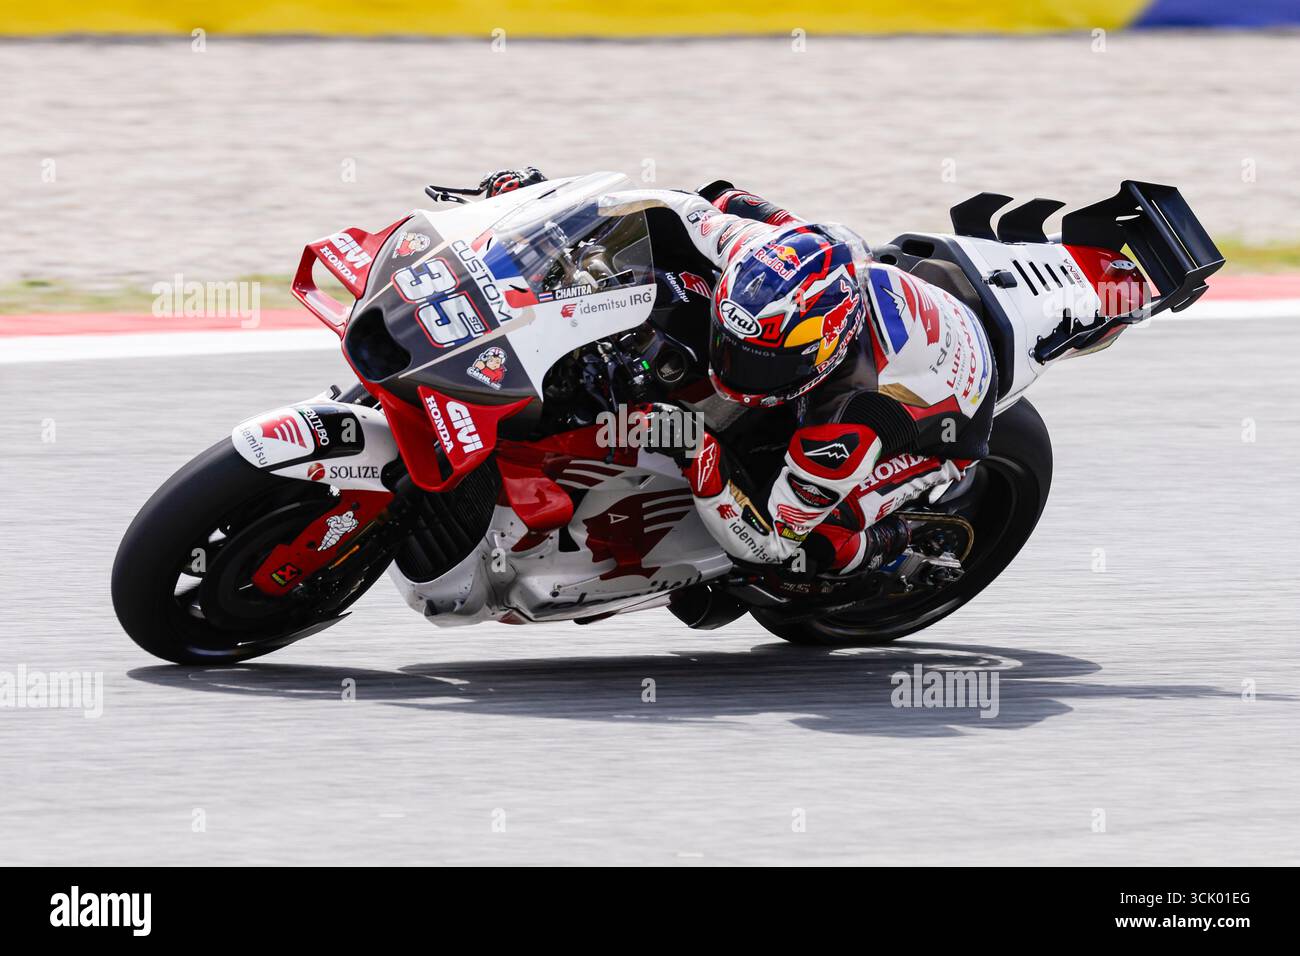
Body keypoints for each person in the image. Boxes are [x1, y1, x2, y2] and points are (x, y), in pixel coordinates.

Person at [480, 169, 996, 575]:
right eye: (735, 347)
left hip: (952, 408)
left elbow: (769, 543)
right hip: (853, 276)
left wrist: (696, 449)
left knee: (811, 547)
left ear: (824, 354)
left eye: (762, 363)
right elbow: (669, 206)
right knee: (718, 197)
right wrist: (541, 207)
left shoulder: (849, 420)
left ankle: (895, 545)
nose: (737, 370)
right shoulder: (747, 247)